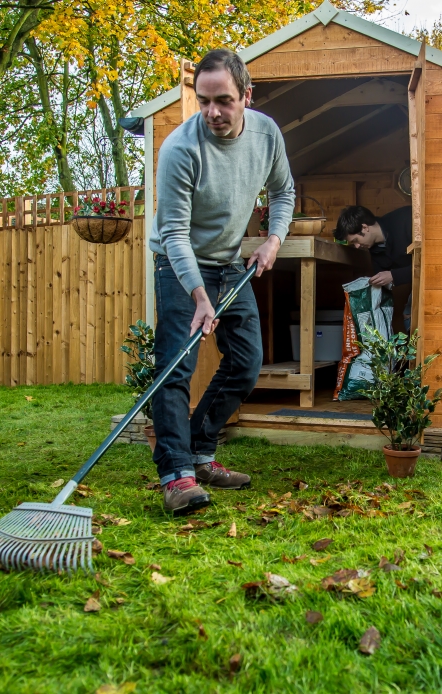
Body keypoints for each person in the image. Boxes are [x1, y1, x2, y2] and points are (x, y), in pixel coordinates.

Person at [149, 49, 295, 515]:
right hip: (179, 264)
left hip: (231, 263)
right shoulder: (179, 149)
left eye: (224, 101)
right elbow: (172, 232)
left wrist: (273, 239)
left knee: (247, 362)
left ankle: (200, 452)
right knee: (176, 367)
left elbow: (284, 190)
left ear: (246, 96)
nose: (212, 112)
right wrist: (198, 295)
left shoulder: (267, 134)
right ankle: (177, 475)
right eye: (204, 100)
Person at [333, 205, 413, 332]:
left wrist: (394, 276)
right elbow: (382, 284)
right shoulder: (375, 249)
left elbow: (430, 263)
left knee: (411, 315)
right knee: (408, 315)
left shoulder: (407, 220)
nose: (357, 246)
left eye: (356, 240)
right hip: (418, 285)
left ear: (365, 227)